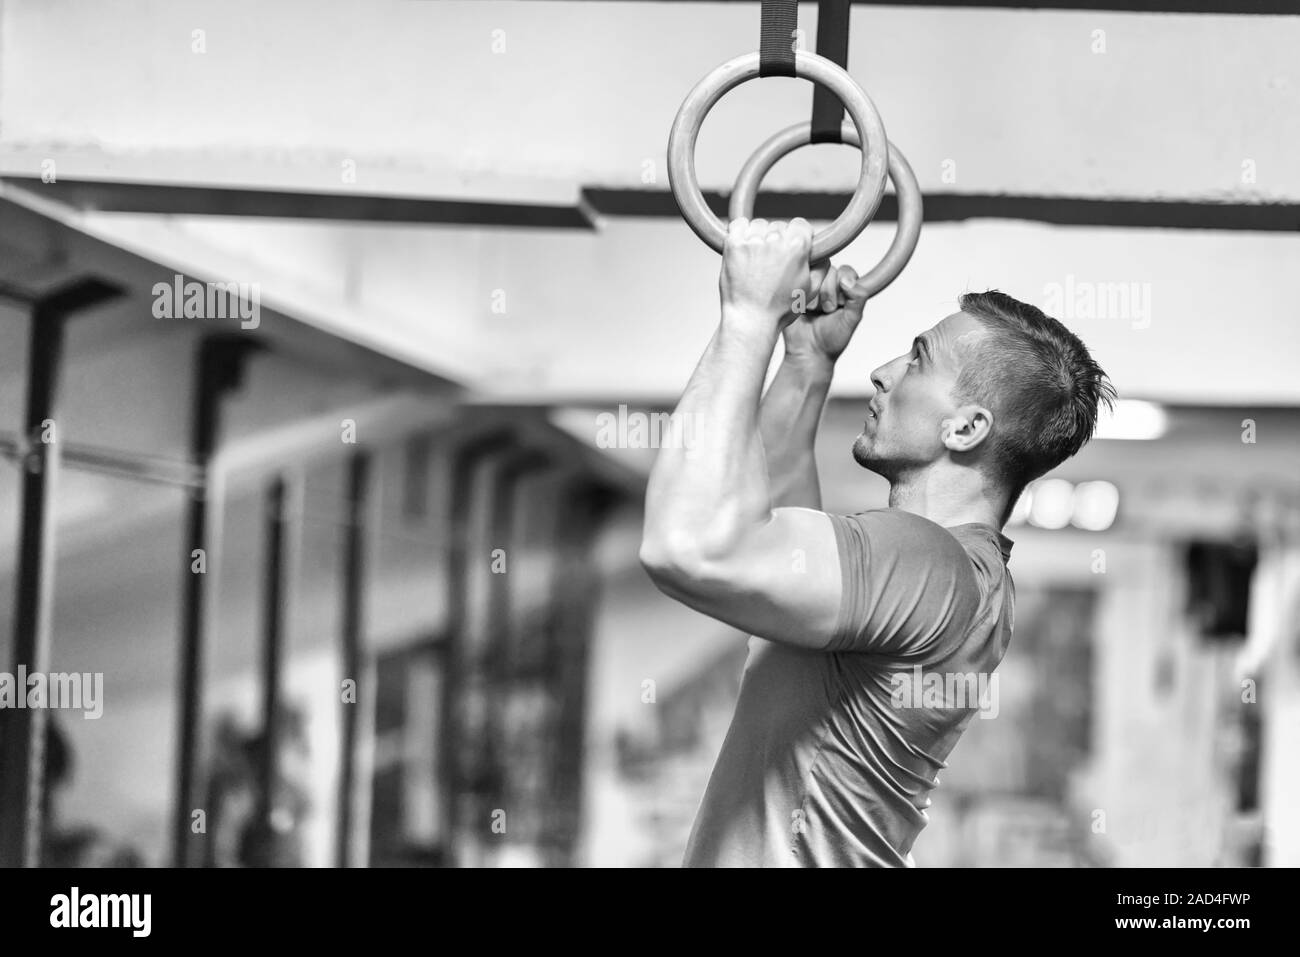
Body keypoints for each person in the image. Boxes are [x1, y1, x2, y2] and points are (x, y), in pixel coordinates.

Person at [640, 217, 1115, 867]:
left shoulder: (930, 565)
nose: (884, 372)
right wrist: (807, 363)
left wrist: (747, 316)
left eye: (918, 359)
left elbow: (687, 544)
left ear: (967, 427)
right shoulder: (966, 579)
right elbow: (777, 548)